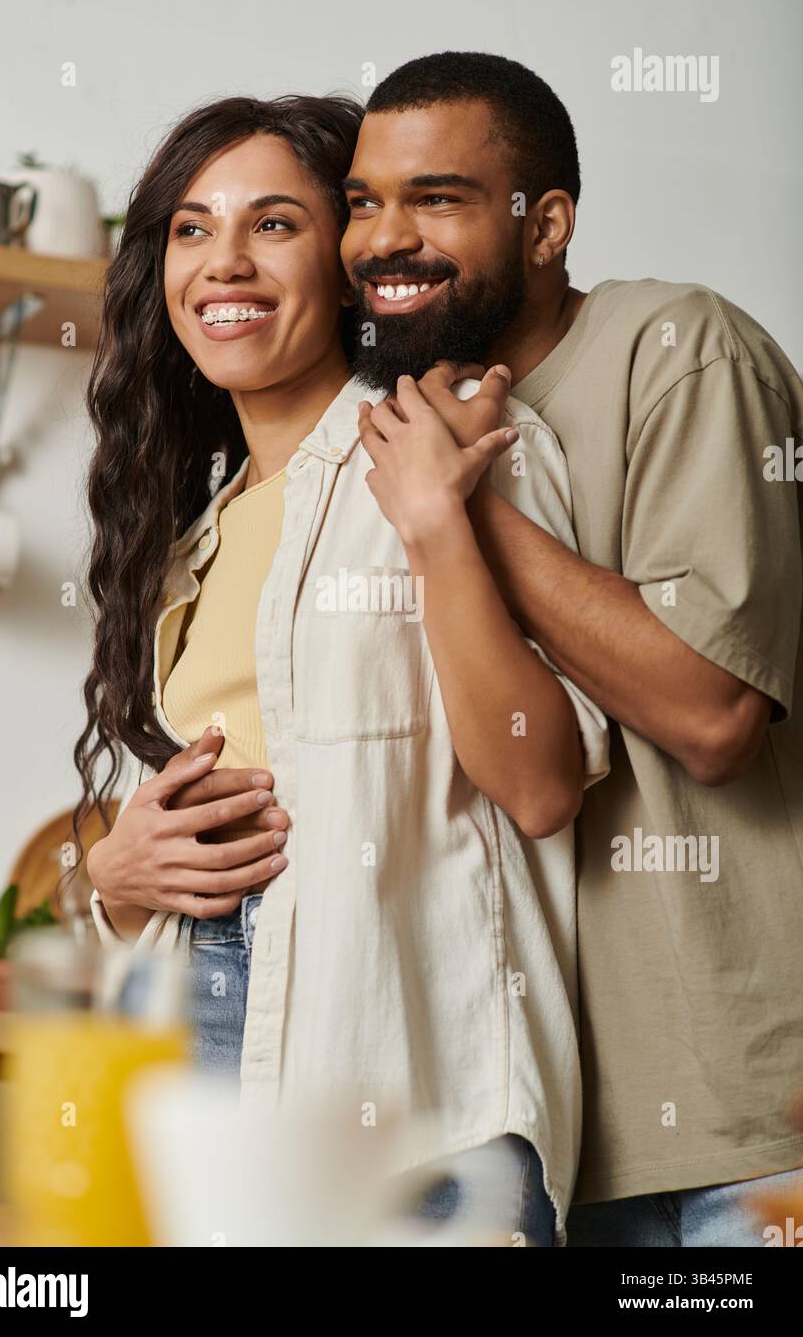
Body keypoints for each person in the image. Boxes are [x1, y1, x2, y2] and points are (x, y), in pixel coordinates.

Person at [76, 92, 609, 1245]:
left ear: (350, 257)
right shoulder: (194, 538)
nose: (225, 262)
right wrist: (118, 879)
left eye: (273, 224)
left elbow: (540, 783)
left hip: (407, 1065)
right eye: (190, 227)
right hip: (209, 1033)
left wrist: (432, 523)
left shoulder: (462, 444)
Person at [341, 49, 803, 1246]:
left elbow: (709, 715)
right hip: (548, 1135)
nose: (382, 237)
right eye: (360, 201)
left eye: (434, 198)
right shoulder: (391, 429)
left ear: (543, 224)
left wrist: (467, 510)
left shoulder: (680, 350)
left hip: (744, 1124)